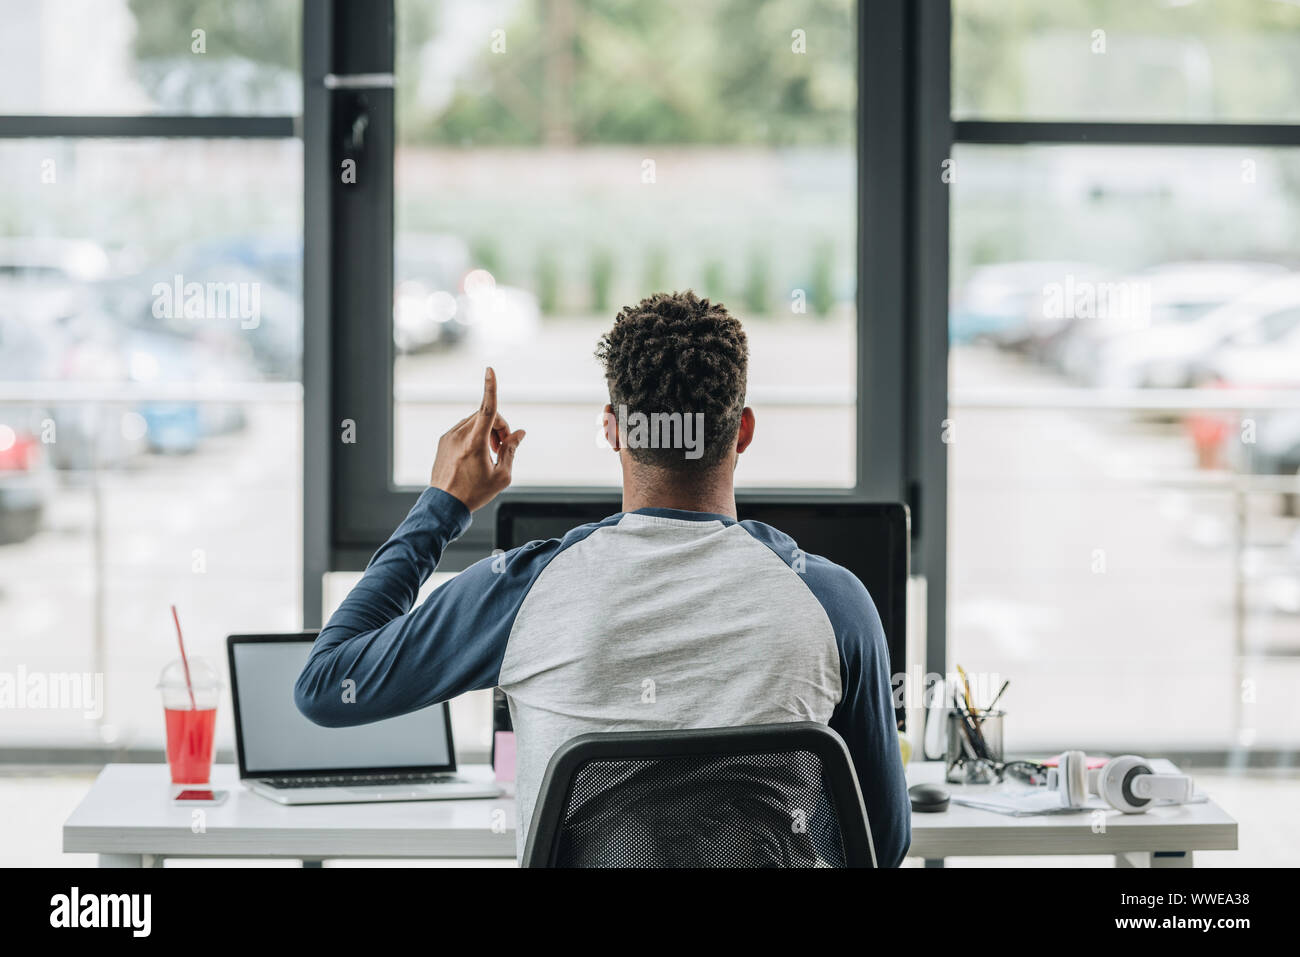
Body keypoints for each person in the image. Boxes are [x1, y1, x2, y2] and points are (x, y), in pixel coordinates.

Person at [294, 290, 911, 865]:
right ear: (742, 430)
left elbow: (326, 684)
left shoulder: (524, 592)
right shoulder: (836, 604)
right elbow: (882, 841)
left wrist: (443, 505)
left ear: (612, 429)